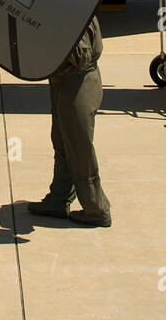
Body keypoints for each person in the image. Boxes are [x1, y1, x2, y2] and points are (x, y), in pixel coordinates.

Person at [28, 16, 112, 224]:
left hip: (78, 81)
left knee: (78, 146)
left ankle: (96, 209)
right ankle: (59, 198)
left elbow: (81, 56)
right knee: (62, 141)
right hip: (64, 79)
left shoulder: (73, 10)